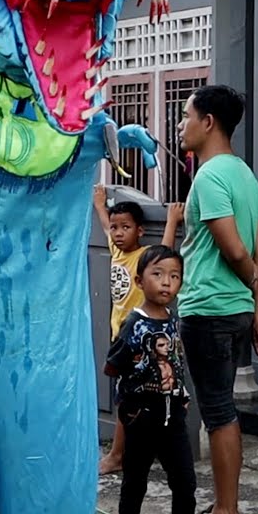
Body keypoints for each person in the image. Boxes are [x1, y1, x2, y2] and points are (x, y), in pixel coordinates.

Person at [174, 85, 258, 514]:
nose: (181, 124)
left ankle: (225, 508)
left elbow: (236, 251)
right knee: (223, 408)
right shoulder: (245, 174)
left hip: (210, 309)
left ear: (208, 122)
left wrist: (252, 288)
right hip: (235, 312)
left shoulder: (211, 176)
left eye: (185, 115)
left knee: (218, 412)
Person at [93, 188, 183, 475]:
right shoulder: (116, 248)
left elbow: (164, 253)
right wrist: (99, 205)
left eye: (126, 228)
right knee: (127, 398)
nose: (118, 233)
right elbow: (107, 225)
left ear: (140, 231)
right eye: (116, 228)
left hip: (141, 340)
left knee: (130, 399)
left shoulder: (144, 257)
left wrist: (171, 221)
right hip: (120, 336)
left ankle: (119, 454)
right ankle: (124, 452)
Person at [104, 245, 195, 514]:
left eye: (175, 276)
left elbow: (177, 361)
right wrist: (129, 403)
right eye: (158, 274)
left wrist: (183, 394)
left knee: (184, 480)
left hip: (173, 415)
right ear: (139, 281)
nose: (167, 282)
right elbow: (113, 366)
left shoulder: (173, 319)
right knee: (135, 480)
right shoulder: (134, 324)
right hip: (141, 416)